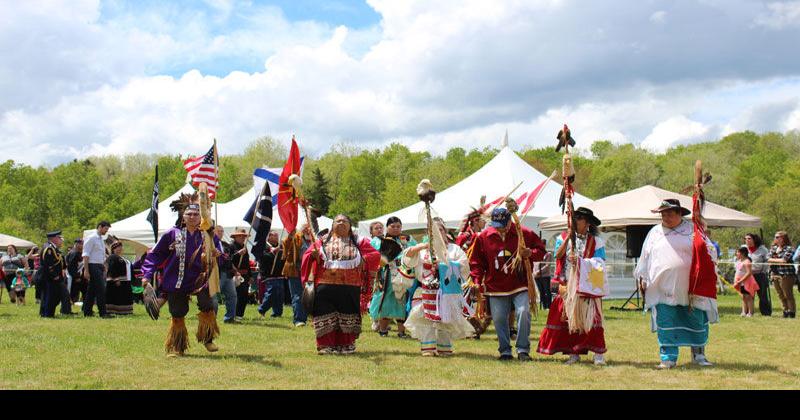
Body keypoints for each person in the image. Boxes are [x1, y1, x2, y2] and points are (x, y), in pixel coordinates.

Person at [634, 199, 718, 369]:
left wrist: (702, 247)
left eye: (670, 214)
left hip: (692, 287)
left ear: (680, 214)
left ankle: (698, 355)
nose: (666, 217)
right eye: (663, 214)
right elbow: (645, 257)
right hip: (662, 287)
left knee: (696, 319)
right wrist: (643, 278)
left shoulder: (693, 230)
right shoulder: (655, 233)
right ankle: (668, 358)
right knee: (666, 320)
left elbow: (711, 252)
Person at [140, 193, 223, 357]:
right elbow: (155, 255)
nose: (192, 217)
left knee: (208, 306)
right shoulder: (172, 234)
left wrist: (216, 254)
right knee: (177, 312)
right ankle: (178, 347)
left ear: (201, 216)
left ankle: (208, 339)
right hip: (177, 279)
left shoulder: (207, 234)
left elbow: (221, 254)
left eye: (196, 214)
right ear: (183, 216)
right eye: (189, 214)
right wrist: (147, 275)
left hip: (201, 279)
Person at [469, 207, 546, 361]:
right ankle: (505, 351)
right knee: (498, 318)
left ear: (510, 221)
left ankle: (523, 350)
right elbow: (477, 262)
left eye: (504, 225)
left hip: (520, 283)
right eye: (497, 226)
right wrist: (476, 281)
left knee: (523, 312)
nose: (501, 229)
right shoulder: (484, 237)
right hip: (496, 286)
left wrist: (530, 253)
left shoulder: (523, 233)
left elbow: (541, 251)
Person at [301, 214, 381, 355]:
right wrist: (312, 255)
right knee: (324, 313)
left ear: (350, 225)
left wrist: (362, 260)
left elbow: (375, 255)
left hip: (350, 286)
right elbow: (307, 255)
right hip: (325, 285)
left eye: (344, 221)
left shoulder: (359, 241)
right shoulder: (322, 241)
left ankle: (346, 345)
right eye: (338, 221)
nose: (341, 223)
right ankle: (326, 345)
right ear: (332, 225)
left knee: (348, 313)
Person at [537, 207, 608, 365]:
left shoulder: (596, 242)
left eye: (579, 218)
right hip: (568, 284)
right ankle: (573, 353)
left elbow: (600, 264)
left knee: (593, 320)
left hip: (588, 286)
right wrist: (568, 238)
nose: (575, 221)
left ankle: (598, 354)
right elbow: (558, 255)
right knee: (570, 321)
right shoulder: (562, 237)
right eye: (574, 218)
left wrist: (582, 262)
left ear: (587, 223)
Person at [401, 218, 474, 356]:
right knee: (426, 319)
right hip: (425, 290)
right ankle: (428, 349)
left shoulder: (454, 249)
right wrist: (422, 246)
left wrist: (443, 265)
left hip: (446, 291)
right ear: (428, 233)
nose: (437, 233)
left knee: (445, 319)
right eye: (433, 230)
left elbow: (464, 267)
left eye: (440, 230)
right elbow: (407, 259)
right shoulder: (422, 250)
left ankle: (444, 348)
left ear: (445, 232)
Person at [369, 216, 417, 338]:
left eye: (398, 226)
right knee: (384, 299)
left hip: (404, 274)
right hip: (386, 275)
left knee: (402, 300)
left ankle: (402, 332)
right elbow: (372, 256)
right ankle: (383, 330)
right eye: (393, 226)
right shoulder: (379, 240)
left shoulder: (407, 239)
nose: (396, 228)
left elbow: (416, 252)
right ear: (387, 227)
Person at [281, 224, 310, 327]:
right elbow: (286, 246)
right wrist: (290, 236)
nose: (308, 230)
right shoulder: (296, 237)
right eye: (306, 228)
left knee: (308, 296)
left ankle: (306, 318)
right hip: (295, 271)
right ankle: (299, 320)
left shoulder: (314, 239)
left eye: (310, 228)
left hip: (309, 272)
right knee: (298, 295)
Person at [82, 221, 112, 318]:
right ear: (100, 227)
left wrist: (104, 266)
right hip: (92, 265)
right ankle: (103, 313)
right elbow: (86, 255)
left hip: (99, 266)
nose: (106, 231)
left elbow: (101, 255)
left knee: (92, 290)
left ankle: (87, 311)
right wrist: (86, 270)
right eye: (105, 229)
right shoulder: (91, 238)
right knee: (101, 289)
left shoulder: (100, 239)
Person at [768, 231, 796, 318]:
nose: (775, 239)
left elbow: (784, 260)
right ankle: (785, 311)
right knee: (780, 294)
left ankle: (792, 312)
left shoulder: (789, 248)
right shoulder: (773, 248)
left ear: (783, 238)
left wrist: (773, 259)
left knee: (787, 294)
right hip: (774, 273)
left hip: (786, 274)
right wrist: (777, 260)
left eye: (777, 237)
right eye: (775, 237)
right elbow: (767, 259)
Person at [258, 231, 286, 318]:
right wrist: (273, 252)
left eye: (277, 236)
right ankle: (262, 309)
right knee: (272, 292)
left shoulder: (281, 246)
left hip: (279, 273)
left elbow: (283, 258)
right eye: (274, 236)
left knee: (279, 294)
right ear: (269, 237)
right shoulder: (264, 246)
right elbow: (262, 258)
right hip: (268, 273)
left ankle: (277, 313)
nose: (277, 237)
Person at [40, 231, 67, 318]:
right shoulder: (49, 249)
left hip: (51, 276)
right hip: (50, 277)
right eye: (59, 238)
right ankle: (48, 314)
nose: (60, 240)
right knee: (51, 296)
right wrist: (54, 275)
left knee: (50, 295)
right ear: (54, 238)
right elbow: (49, 264)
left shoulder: (52, 247)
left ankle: (45, 313)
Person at [214, 226, 238, 324]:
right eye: (218, 231)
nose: (220, 233)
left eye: (222, 231)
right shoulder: (210, 243)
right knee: (213, 297)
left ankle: (229, 318)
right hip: (216, 273)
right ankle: (211, 318)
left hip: (227, 273)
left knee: (232, 295)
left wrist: (234, 269)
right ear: (213, 232)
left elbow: (229, 258)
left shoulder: (226, 245)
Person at [744, 233, 772, 316]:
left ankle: (766, 312)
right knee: (748, 295)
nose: (747, 240)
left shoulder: (763, 249)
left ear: (754, 239)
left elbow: (767, 260)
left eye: (749, 238)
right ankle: (748, 312)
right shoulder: (744, 249)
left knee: (762, 295)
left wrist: (764, 271)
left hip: (760, 275)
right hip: (748, 275)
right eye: (745, 239)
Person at [229, 227, 252, 321]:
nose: (243, 238)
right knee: (235, 296)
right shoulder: (231, 246)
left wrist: (250, 276)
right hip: (234, 274)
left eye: (244, 236)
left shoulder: (244, 247)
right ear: (235, 237)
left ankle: (239, 315)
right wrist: (238, 254)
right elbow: (228, 259)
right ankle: (233, 314)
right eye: (240, 236)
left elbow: (247, 263)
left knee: (244, 295)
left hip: (244, 275)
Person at [105, 242, 133, 315]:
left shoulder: (122, 258)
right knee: (117, 296)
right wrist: (116, 279)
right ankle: (114, 310)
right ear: (113, 249)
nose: (120, 248)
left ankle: (125, 310)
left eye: (121, 247)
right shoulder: (112, 257)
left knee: (124, 296)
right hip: (116, 280)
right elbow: (112, 268)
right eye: (118, 247)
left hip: (125, 281)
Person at [366, 221, 384, 330]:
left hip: (386, 271)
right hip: (376, 272)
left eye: (381, 228)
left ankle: (383, 320)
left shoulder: (386, 240)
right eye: (376, 228)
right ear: (371, 232)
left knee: (383, 296)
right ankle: (375, 319)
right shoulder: (372, 242)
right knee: (377, 295)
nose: (379, 230)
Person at [733, 246, 759, 317]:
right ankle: (744, 312)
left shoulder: (747, 262)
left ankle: (750, 312)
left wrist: (741, 280)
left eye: (738, 252)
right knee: (743, 297)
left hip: (747, 282)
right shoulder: (739, 262)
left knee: (748, 297)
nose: (736, 254)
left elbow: (749, 273)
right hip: (741, 283)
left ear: (743, 253)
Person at [533, 243, 553, 310]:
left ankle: (549, 306)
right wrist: (534, 272)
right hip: (537, 276)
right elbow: (534, 263)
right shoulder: (535, 254)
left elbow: (547, 265)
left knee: (547, 291)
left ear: (544, 245)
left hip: (545, 276)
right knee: (541, 291)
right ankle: (544, 306)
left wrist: (539, 271)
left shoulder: (548, 254)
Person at [66, 239, 86, 304]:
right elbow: (71, 266)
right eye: (81, 244)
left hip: (80, 276)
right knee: (72, 293)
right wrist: (76, 277)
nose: (83, 245)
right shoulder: (74, 253)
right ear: (77, 244)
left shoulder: (81, 253)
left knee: (84, 291)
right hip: (73, 277)